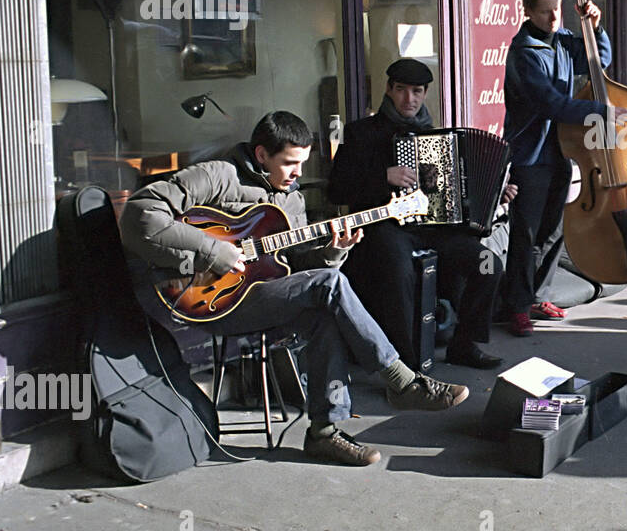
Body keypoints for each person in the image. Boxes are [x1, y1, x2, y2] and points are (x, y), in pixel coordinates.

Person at [120, 111, 468, 467]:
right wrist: (213, 249)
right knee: (329, 286)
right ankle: (400, 381)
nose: (299, 172)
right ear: (261, 155)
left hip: (262, 297)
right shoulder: (217, 175)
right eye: (289, 163)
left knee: (323, 312)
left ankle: (323, 433)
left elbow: (296, 270)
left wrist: (333, 253)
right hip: (205, 298)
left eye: (303, 162)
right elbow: (140, 213)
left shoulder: (293, 201)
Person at [327, 58, 514, 371]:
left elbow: (457, 196)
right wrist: (383, 176)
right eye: (401, 90)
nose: (408, 99)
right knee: (399, 270)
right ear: (389, 90)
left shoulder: (435, 136)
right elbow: (337, 190)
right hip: (383, 226)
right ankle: (404, 363)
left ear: (425, 93)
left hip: (431, 229)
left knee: (488, 265)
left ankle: (464, 344)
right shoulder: (362, 133)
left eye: (417, 91)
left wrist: (496, 196)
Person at [501, 0, 621, 337]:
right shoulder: (524, 54)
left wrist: (595, 28)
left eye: (558, 9)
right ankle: (518, 307)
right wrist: (603, 113)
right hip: (531, 152)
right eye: (545, 12)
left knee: (554, 229)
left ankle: (539, 294)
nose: (554, 18)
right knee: (526, 232)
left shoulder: (565, 39)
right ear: (527, 11)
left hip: (563, 149)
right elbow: (551, 104)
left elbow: (600, 62)